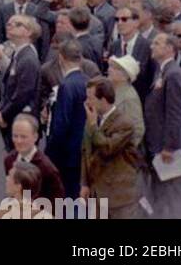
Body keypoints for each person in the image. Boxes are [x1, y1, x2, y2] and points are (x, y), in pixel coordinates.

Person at [143, 30, 181, 216]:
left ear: (170, 48)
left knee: (172, 197)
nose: (151, 46)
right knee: (161, 195)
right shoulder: (162, 71)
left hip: (168, 150)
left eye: (156, 43)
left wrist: (169, 147)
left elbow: (175, 114)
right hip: (158, 146)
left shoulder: (173, 74)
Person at [79, 75, 142, 218]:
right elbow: (86, 152)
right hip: (96, 194)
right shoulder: (92, 120)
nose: (87, 102)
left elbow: (107, 148)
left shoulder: (124, 123)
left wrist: (94, 126)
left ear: (103, 100)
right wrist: (84, 183)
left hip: (118, 198)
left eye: (90, 98)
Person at [46, 37, 89, 200]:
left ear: (61, 58)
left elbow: (61, 124)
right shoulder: (87, 81)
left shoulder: (66, 85)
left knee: (66, 197)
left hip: (67, 154)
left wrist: (50, 152)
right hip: (83, 149)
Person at [0, 13, 42, 150]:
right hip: (13, 116)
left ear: (28, 32)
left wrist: (4, 113)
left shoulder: (27, 58)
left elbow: (23, 93)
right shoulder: (19, 54)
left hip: (21, 118)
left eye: (17, 24)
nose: (10, 26)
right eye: (9, 23)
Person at [4, 112, 64, 203]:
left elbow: (58, 202)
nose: (18, 141)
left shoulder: (47, 168)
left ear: (35, 137)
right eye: (15, 136)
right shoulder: (9, 160)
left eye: (23, 137)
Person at [107, 54, 146, 149]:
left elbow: (138, 128)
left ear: (125, 76)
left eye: (115, 68)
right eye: (111, 66)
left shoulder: (129, 96)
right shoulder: (113, 90)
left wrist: (127, 150)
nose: (109, 70)